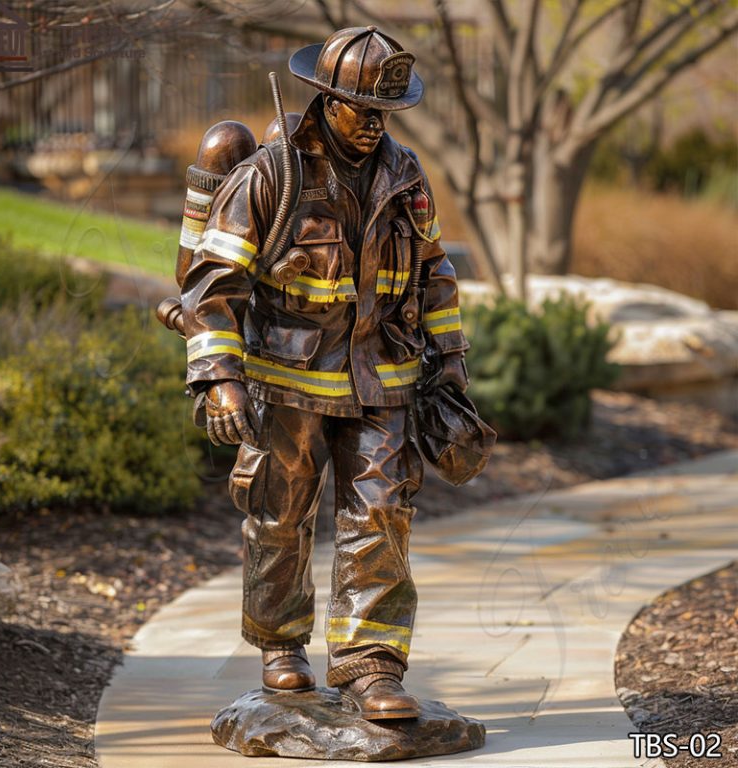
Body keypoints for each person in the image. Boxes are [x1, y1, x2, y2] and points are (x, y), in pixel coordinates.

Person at [180, 26, 469, 721]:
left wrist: (451, 363)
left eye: (385, 112)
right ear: (325, 97)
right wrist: (220, 377)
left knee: (381, 519)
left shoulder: (407, 176)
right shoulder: (269, 177)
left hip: (385, 383)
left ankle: (371, 666)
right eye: (360, 107)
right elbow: (211, 288)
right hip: (288, 386)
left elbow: (434, 272)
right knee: (280, 517)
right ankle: (280, 646)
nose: (374, 124)